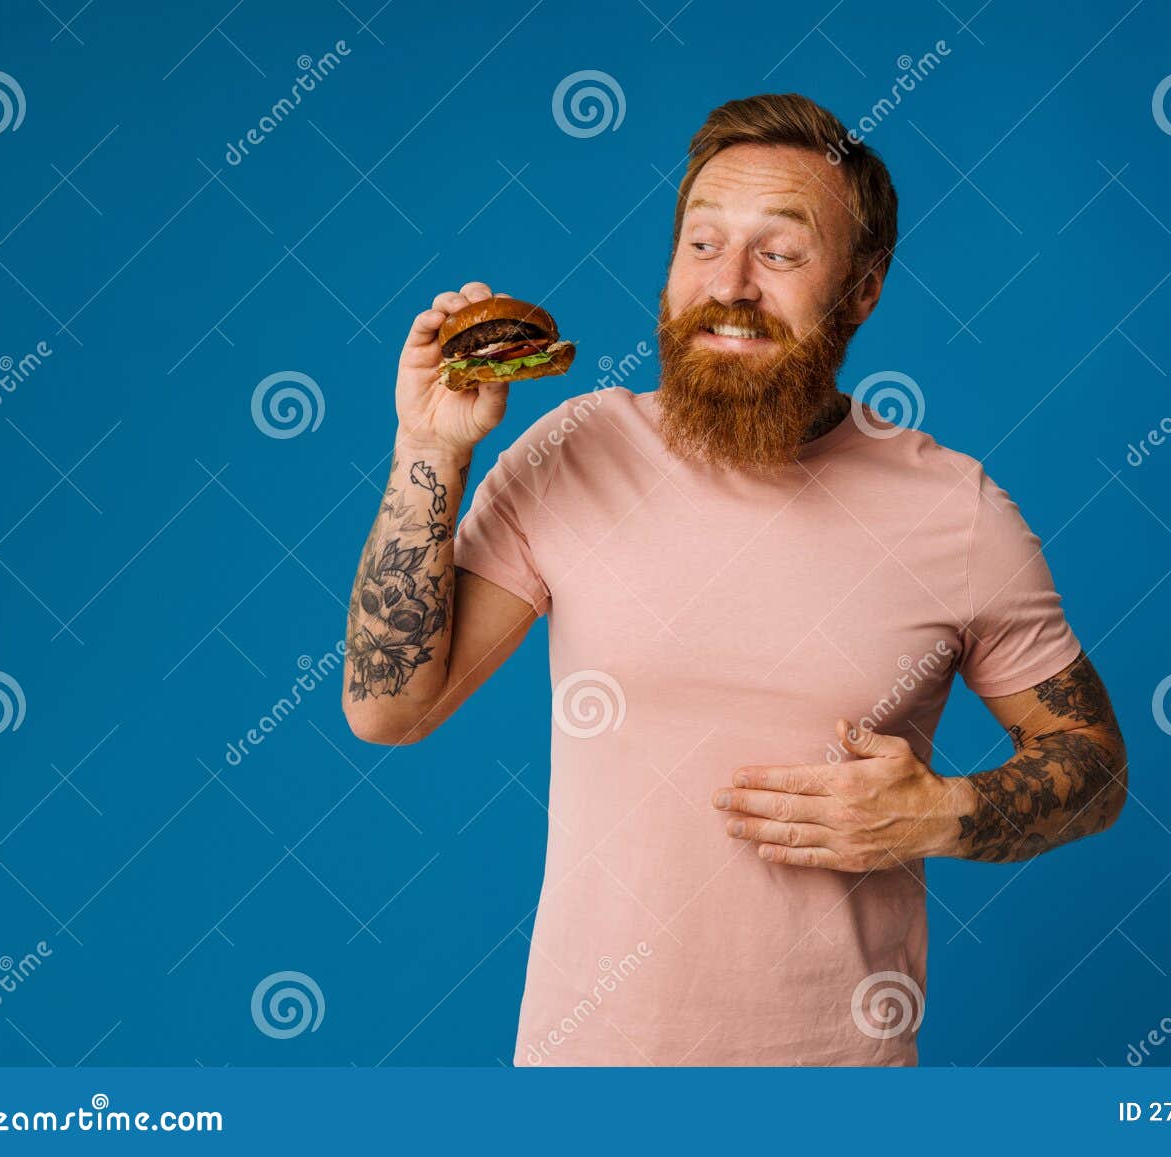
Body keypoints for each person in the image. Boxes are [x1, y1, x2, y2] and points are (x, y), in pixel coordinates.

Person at [342, 92, 1127, 1065]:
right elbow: (388, 707)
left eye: (782, 252)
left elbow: (1093, 762)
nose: (732, 285)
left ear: (863, 286)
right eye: (702, 244)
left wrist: (948, 812)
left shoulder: (956, 511)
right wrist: (429, 449)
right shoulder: (575, 453)